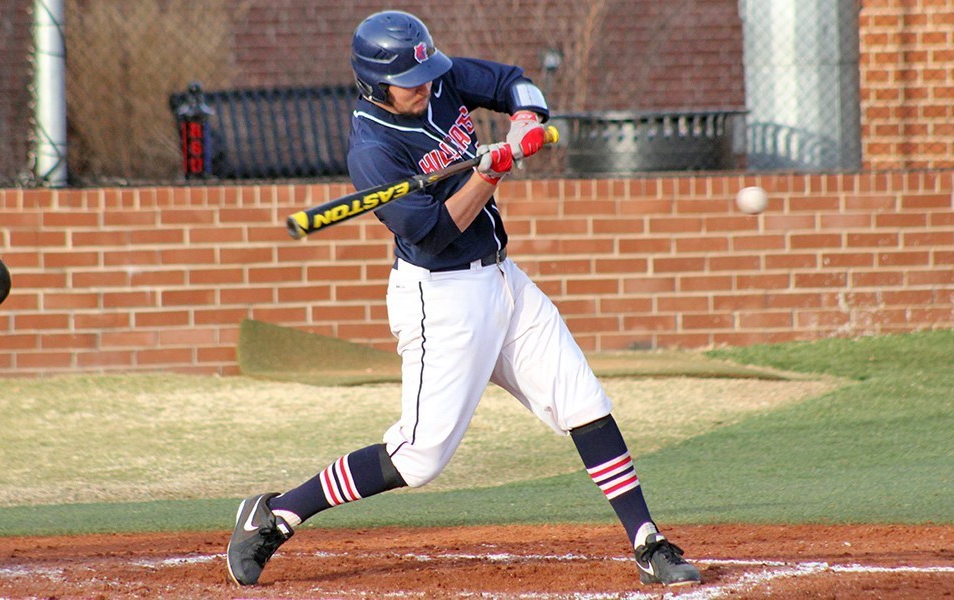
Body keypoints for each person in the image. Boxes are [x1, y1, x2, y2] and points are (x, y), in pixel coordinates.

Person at [226, 10, 701, 589]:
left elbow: (511, 81)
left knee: (583, 401)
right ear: (376, 85)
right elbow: (434, 230)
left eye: (425, 73)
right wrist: (490, 174)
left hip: (504, 280)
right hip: (441, 298)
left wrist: (527, 118)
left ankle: (647, 541)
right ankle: (274, 517)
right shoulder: (372, 151)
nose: (424, 85)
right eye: (409, 79)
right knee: (418, 458)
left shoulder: (439, 78)